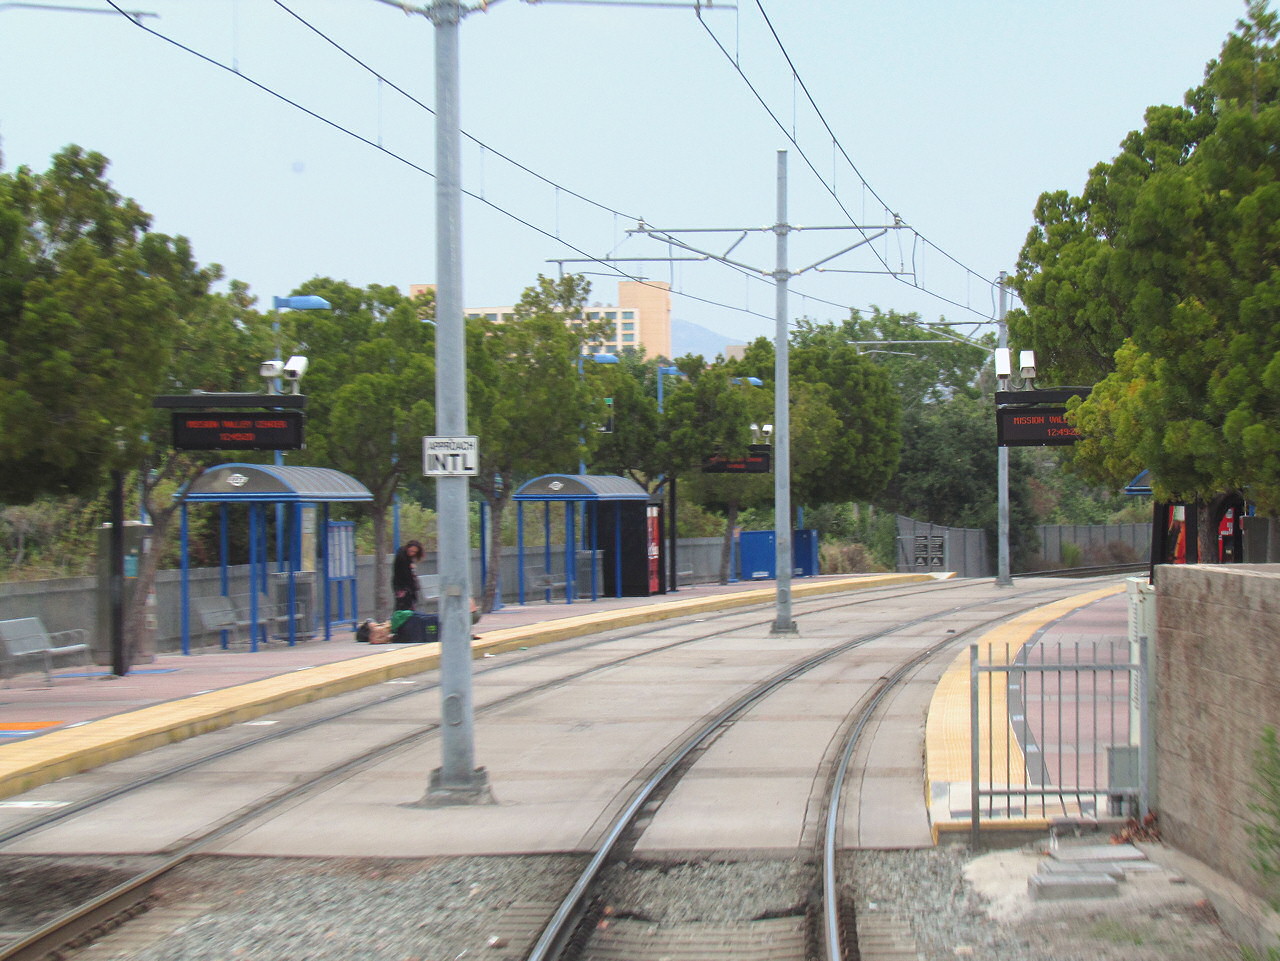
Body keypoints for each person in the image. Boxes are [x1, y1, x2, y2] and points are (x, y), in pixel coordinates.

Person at [393, 540, 424, 611]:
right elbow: (405, 574)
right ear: (408, 548)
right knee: (403, 606)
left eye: (414, 552)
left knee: (406, 606)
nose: (412, 553)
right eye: (411, 551)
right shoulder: (402, 558)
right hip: (402, 585)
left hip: (406, 586)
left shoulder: (407, 558)